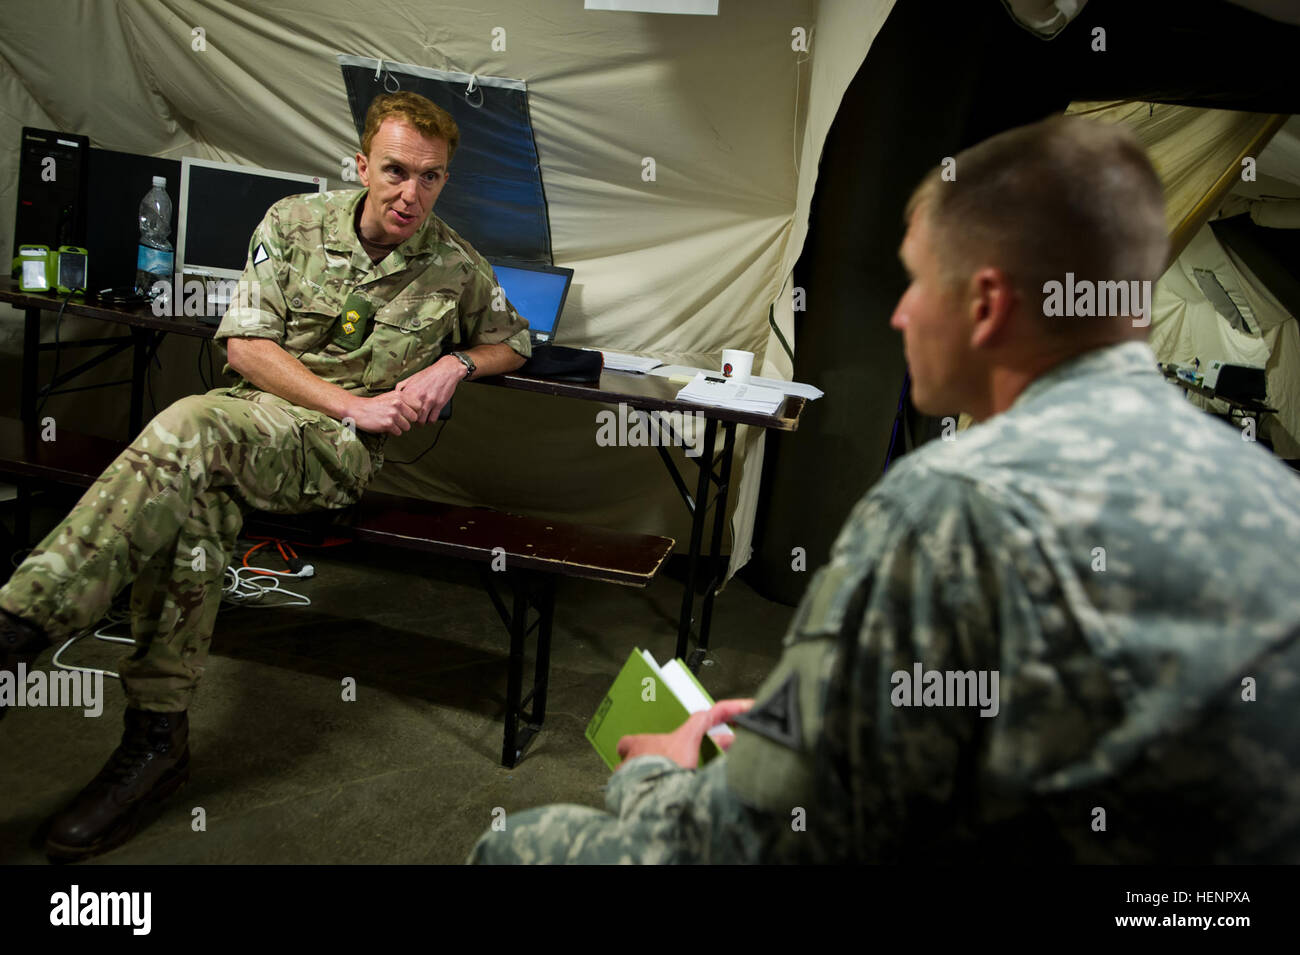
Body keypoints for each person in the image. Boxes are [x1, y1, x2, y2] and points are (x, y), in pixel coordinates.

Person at [469, 115, 1300, 864]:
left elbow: (733, 838)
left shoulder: (950, 501)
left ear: (985, 302)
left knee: (520, 843)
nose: (899, 316)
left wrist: (655, 772)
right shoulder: (1276, 498)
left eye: (915, 282)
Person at [0, 91, 531, 861]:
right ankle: (157, 740)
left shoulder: (453, 264)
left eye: (432, 177)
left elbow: (516, 339)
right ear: (362, 164)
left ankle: (20, 627)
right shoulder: (294, 223)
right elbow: (245, 349)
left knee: (188, 425)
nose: (411, 193)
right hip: (248, 421)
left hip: (332, 451)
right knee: (196, 503)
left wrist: (455, 364)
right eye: (395, 170)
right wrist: (358, 397)